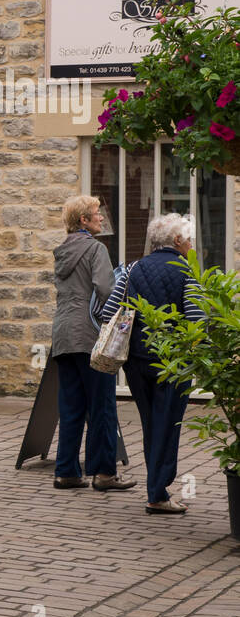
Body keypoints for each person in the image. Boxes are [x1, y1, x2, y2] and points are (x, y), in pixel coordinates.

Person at [99, 213, 205, 514]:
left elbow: (108, 311)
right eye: (189, 240)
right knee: (168, 425)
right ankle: (157, 494)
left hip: (136, 363)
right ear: (177, 241)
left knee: (151, 424)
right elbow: (196, 320)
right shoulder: (186, 271)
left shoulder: (133, 269)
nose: (191, 246)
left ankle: (155, 489)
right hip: (172, 363)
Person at [50, 196, 135, 491]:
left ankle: (67, 472)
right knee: (102, 406)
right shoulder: (96, 248)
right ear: (83, 220)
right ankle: (104, 473)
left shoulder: (62, 250)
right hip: (90, 336)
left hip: (62, 335)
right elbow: (106, 288)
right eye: (97, 214)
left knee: (71, 406)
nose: (102, 218)